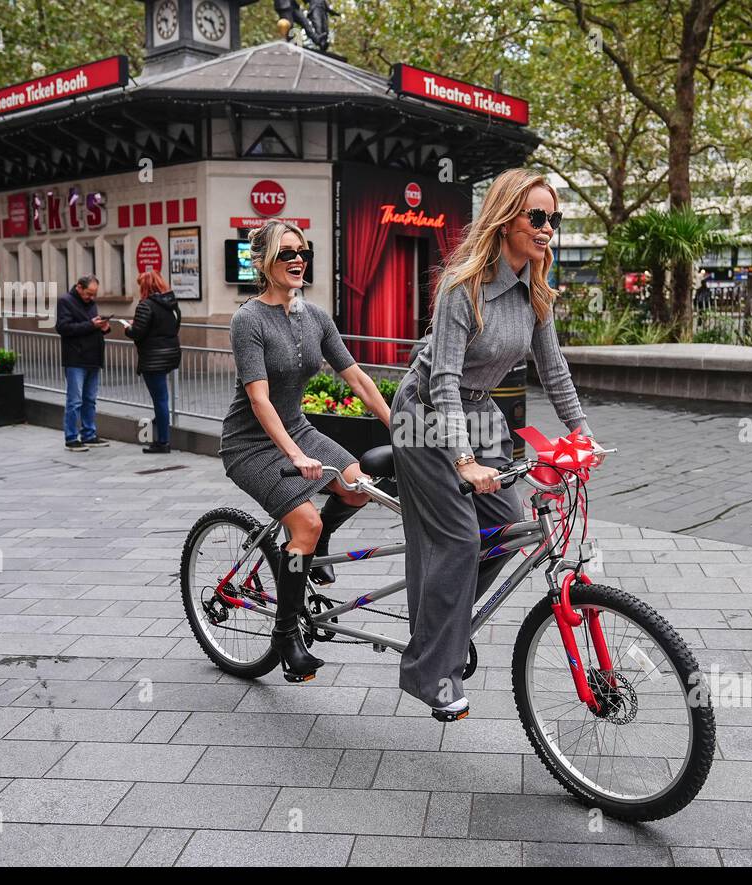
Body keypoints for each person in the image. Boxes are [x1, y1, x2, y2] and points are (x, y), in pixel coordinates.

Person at [389, 168, 604, 722]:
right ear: (507, 218)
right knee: (460, 541)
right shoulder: (465, 288)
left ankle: (445, 625)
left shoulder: (535, 291)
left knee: (506, 536)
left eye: (553, 219)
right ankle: (429, 669)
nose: (547, 228)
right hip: (426, 415)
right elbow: (441, 382)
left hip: (479, 410)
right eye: (537, 217)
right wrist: (463, 461)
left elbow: (552, 370)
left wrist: (581, 433)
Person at [219, 219, 392, 682]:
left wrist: (402, 427)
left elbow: (355, 377)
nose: (298, 260)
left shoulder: (316, 317)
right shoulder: (248, 320)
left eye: (302, 252)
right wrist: (295, 455)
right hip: (250, 442)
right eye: (286, 253)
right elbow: (258, 398)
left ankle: (314, 548)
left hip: (296, 427)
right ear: (262, 263)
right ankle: (286, 635)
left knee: (358, 486)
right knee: (306, 523)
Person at [121, 270, 181, 454]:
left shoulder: (145, 306)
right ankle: (161, 435)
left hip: (153, 358)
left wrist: (129, 328)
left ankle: (162, 441)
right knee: (162, 398)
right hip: (170, 354)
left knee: (160, 400)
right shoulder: (172, 304)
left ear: (145, 286)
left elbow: (138, 332)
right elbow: (174, 327)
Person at [56, 274, 110, 451]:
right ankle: (71, 437)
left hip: (93, 357)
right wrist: (91, 325)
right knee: (75, 400)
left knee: (90, 399)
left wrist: (103, 328)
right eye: (88, 293)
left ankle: (89, 434)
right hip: (76, 358)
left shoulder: (91, 303)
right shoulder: (65, 301)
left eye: (94, 294)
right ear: (79, 287)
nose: (91, 298)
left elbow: (91, 326)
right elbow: (63, 328)